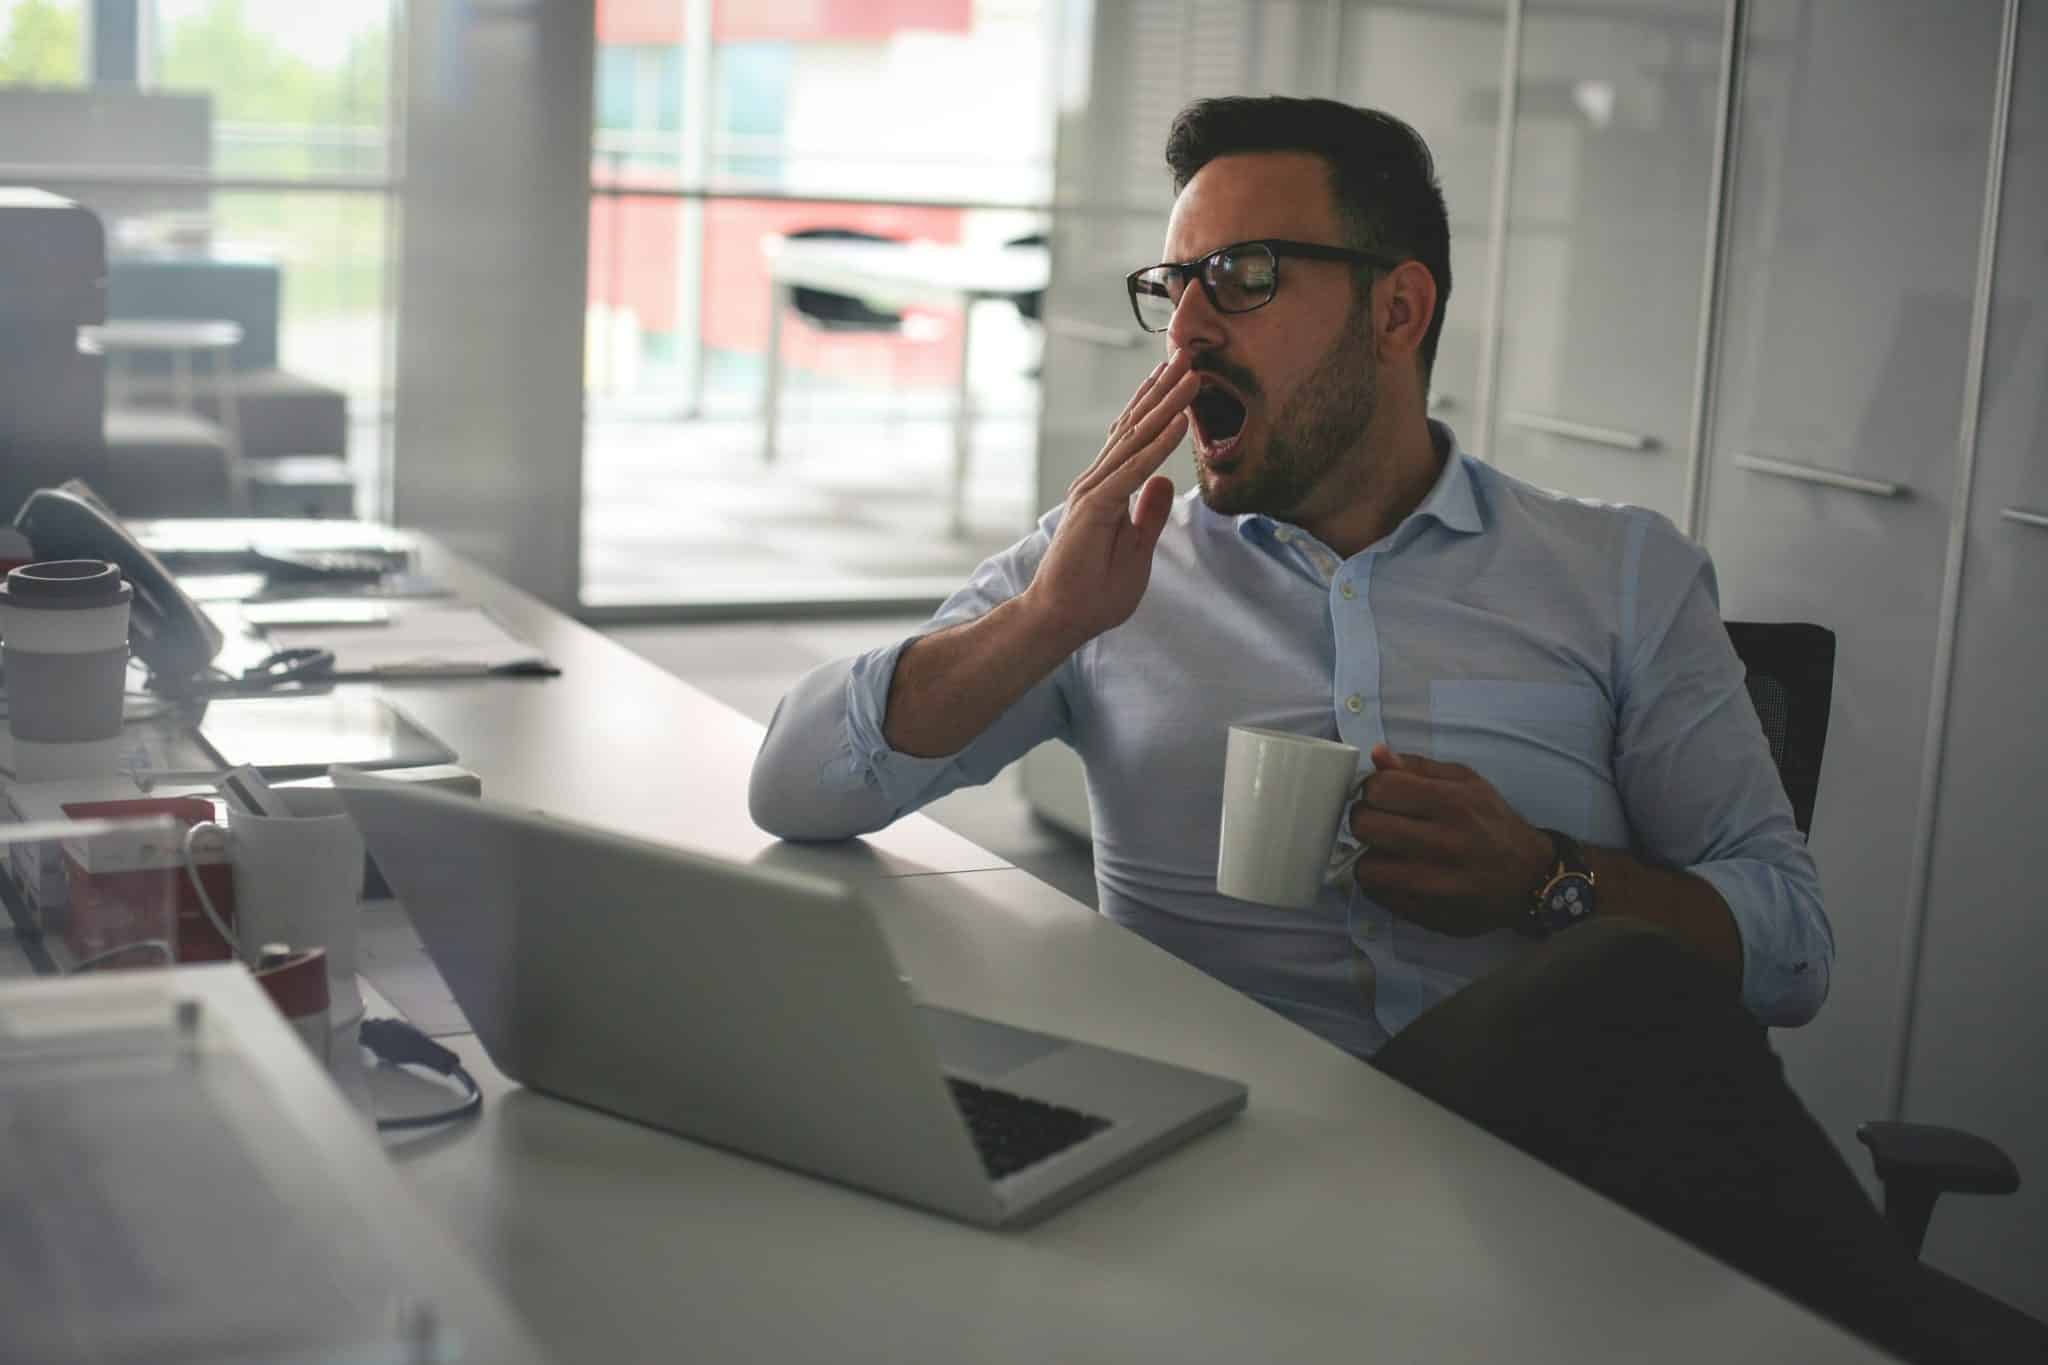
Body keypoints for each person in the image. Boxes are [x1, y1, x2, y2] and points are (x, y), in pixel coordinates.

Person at [749, 95, 1830, 1061]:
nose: (1181, 332)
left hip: (1543, 1171)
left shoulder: (1619, 573)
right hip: (1217, 1154)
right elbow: (793, 789)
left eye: (1241, 276)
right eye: (1173, 286)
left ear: (1395, 313)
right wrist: (1041, 621)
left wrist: (1544, 878)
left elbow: (1789, 949)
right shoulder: (1106, 568)